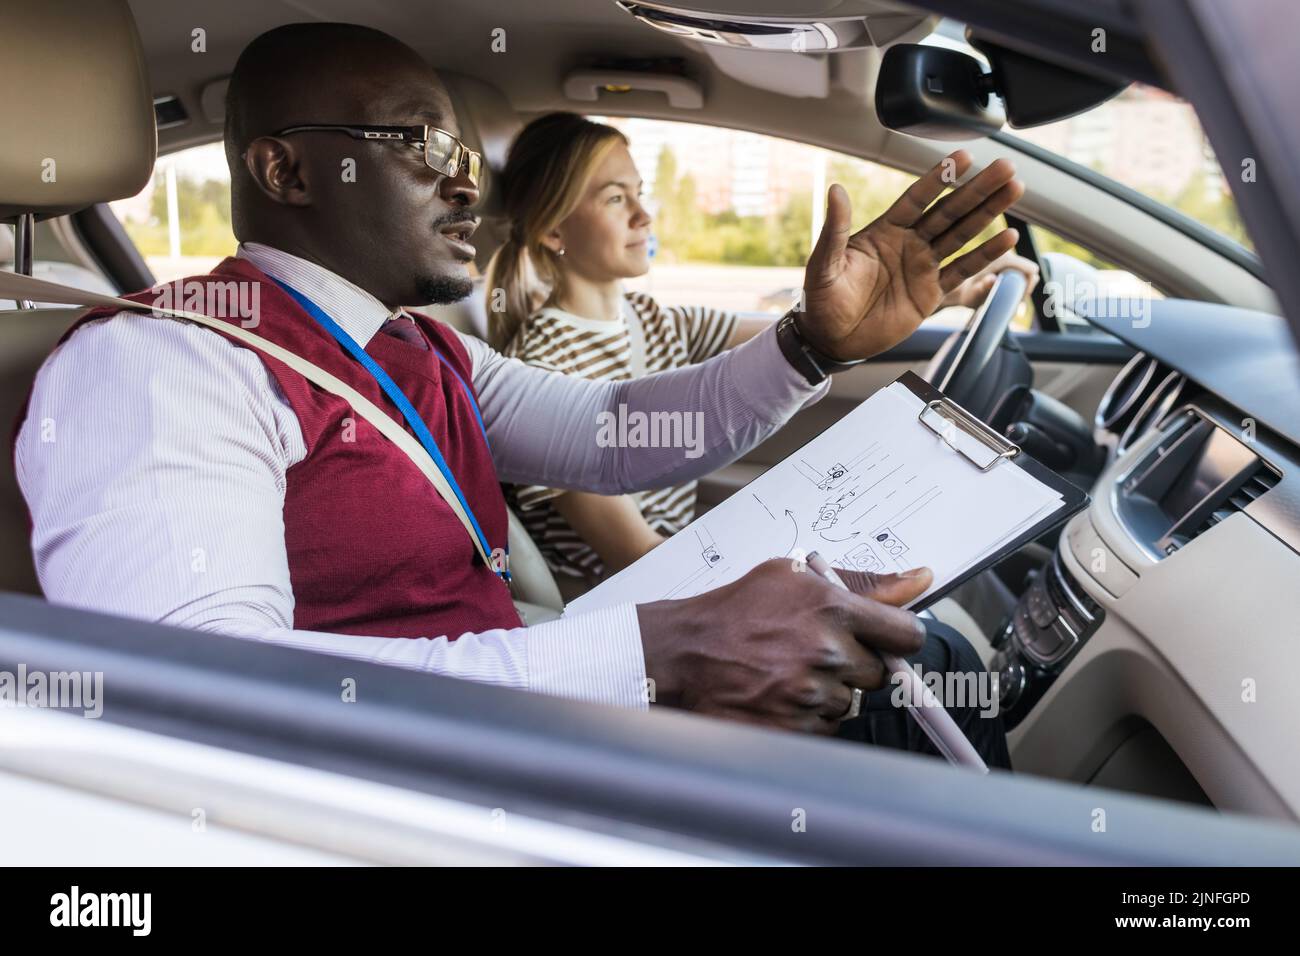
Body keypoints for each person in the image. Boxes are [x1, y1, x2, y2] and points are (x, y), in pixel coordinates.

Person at [14, 23, 1024, 763]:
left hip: (506, 739)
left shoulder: (407, 342)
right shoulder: (159, 365)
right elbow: (206, 701)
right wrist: (659, 649)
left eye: (463, 156)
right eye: (418, 144)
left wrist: (808, 344)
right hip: (400, 800)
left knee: (906, 673)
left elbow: (610, 430)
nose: (466, 186)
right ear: (284, 168)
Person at [488, 112, 1039, 590]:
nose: (644, 214)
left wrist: (953, 295)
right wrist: (794, 580)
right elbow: (636, 558)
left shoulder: (650, 318)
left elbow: (797, 331)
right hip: (628, 602)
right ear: (553, 230)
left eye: (639, 191)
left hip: (678, 560)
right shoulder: (544, 365)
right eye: (614, 198)